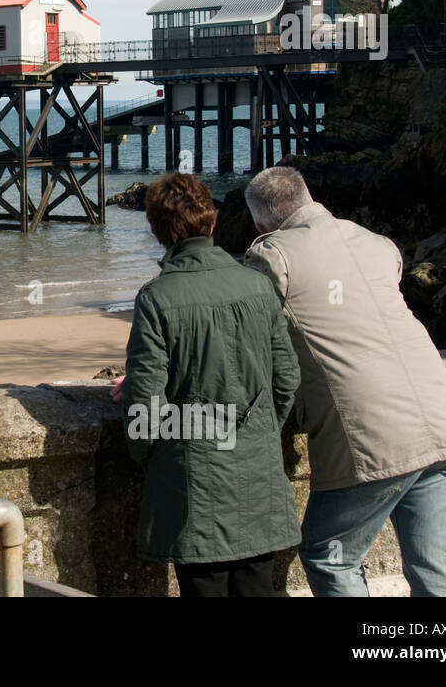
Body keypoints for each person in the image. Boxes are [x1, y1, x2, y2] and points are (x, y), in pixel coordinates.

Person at [242, 166, 446, 597]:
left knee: (330, 556)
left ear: (260, 224)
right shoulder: (379, 245)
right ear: (308, 197)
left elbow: (246, 337)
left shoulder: (271, 255)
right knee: (437, 566)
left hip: (373, 438)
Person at [110, 173, 300, 597]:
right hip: (257, 474)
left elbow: (145, 401)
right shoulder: (257, 286)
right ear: (212, 222)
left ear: (158, 232)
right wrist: (260, 433)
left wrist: (146, 457)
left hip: (193, 482)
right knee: (257, 587)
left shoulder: (158, 297)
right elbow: (286, 378)